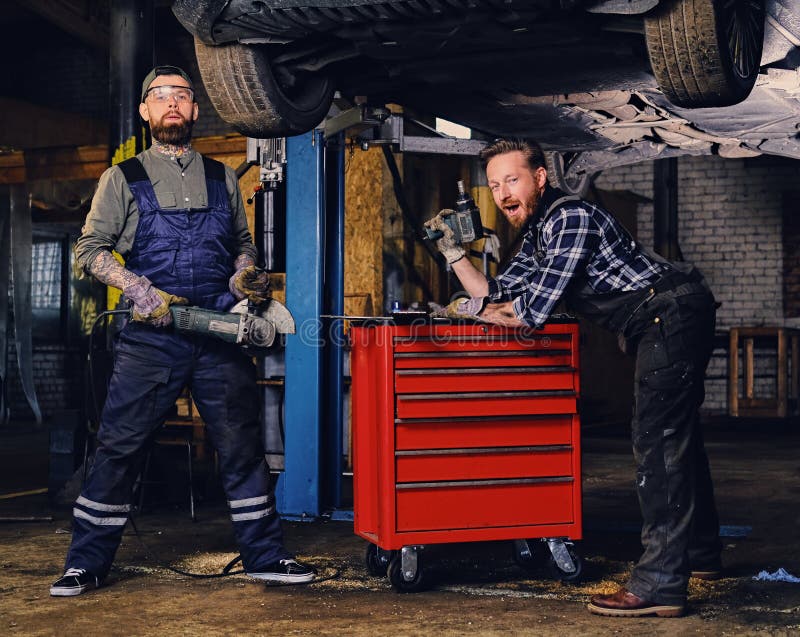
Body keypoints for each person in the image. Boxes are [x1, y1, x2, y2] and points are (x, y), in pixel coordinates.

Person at [425, 138, 722, 618]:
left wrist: (470, 312)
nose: (503, 194)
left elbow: (529, 312)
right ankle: (701, 553)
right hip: (664, 315)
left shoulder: (569, 218)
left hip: (669, 313)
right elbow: (495, 292)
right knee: (675, 435)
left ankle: (662, 584)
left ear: (540, 178)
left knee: (659, 440)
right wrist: (453, 253)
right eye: (495, 185)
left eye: (513, 180)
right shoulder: (538, 234)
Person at [50, 65, 314, 597]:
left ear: (194, 110)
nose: (172, 103)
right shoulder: (121, 177)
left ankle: (266, 556)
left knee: (242, 448)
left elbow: (241, 246)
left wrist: (245, 277)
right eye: (160, 96)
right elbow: (90, 250)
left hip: (219, 332)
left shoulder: (222, 176)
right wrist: (140, 290)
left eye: (182, 95)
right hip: (152, 338)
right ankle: (85, 563)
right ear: (145, 111)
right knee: (119, 448)